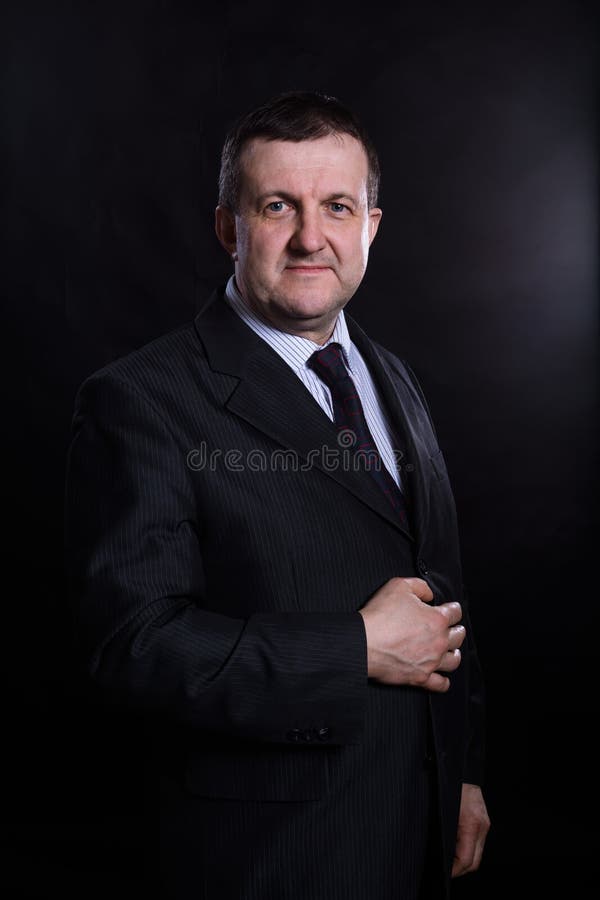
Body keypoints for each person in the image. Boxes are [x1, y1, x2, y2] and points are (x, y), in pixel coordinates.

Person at [65, 90, 490, 900]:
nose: (310, 237)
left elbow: (444, 592)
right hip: (273, 857)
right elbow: (130, 647)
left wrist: (461, 772)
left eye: (337, 206)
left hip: (416, 828)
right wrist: (353, 650)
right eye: (276, 206)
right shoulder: (140, 399)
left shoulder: (392, 376)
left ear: (370, 226)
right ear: (229, 228)